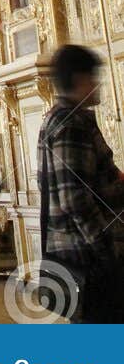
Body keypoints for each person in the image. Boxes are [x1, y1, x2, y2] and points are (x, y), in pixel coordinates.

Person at [37, 43, 124, 322]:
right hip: (87, 256)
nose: (97, 85)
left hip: (77, 251)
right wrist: (105, 248)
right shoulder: (72, 125)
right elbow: (74, 198)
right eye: (93, 77)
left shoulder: (53, 120)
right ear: (79, 80)